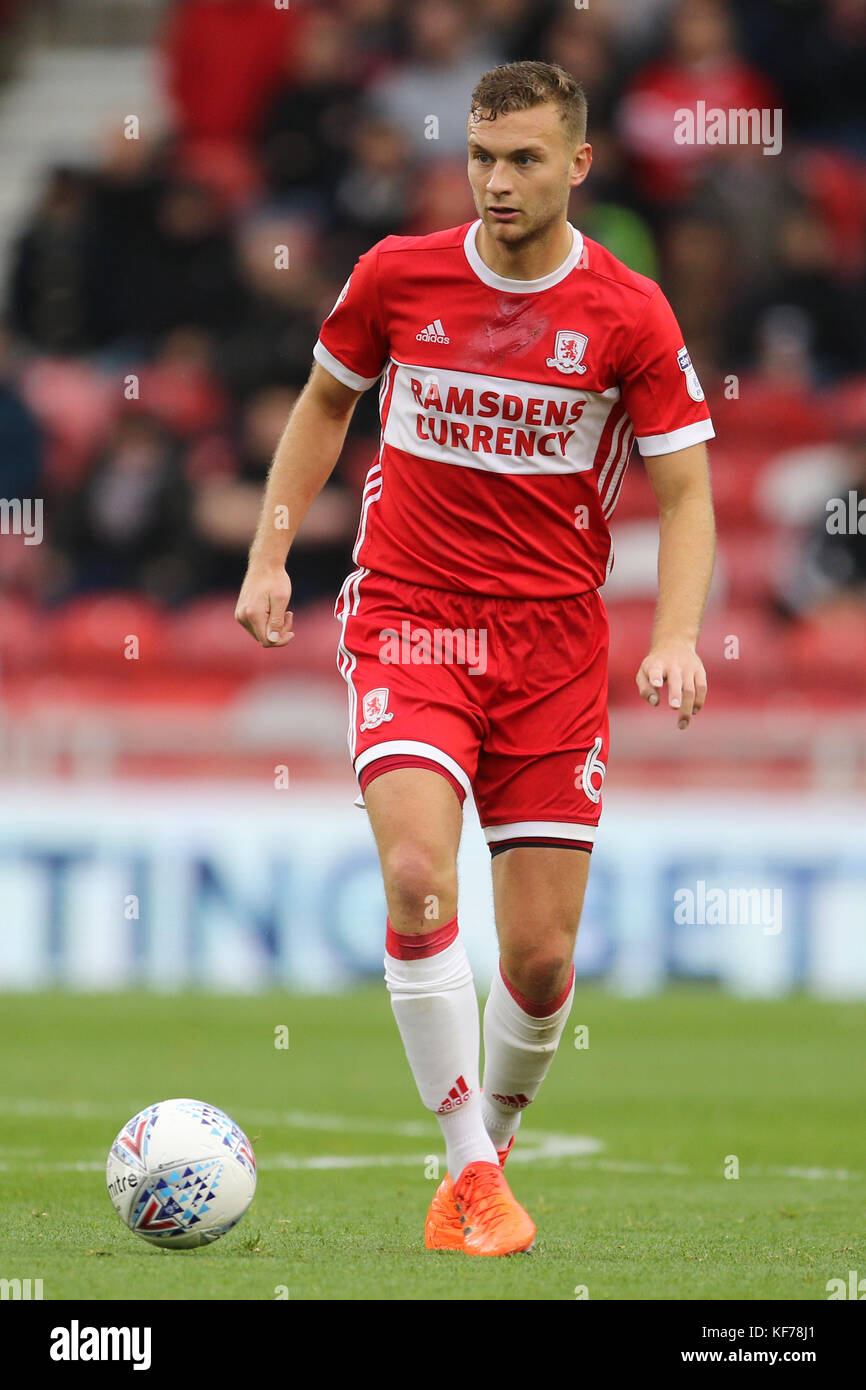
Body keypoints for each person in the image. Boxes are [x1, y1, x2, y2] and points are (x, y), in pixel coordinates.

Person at [235, 61, 716, 1257]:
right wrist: (267, 557)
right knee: (412, 874)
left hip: (553, 645)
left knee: (543, 959)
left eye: (524, 160)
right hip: (410, 613)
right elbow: (319, 406)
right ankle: (470, 1174)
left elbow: (688, 488)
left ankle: (483, 1154)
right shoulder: (396, 275)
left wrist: (672, 638)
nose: (497, 182)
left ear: (576, 167)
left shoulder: (627, 313)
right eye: (481, 157)